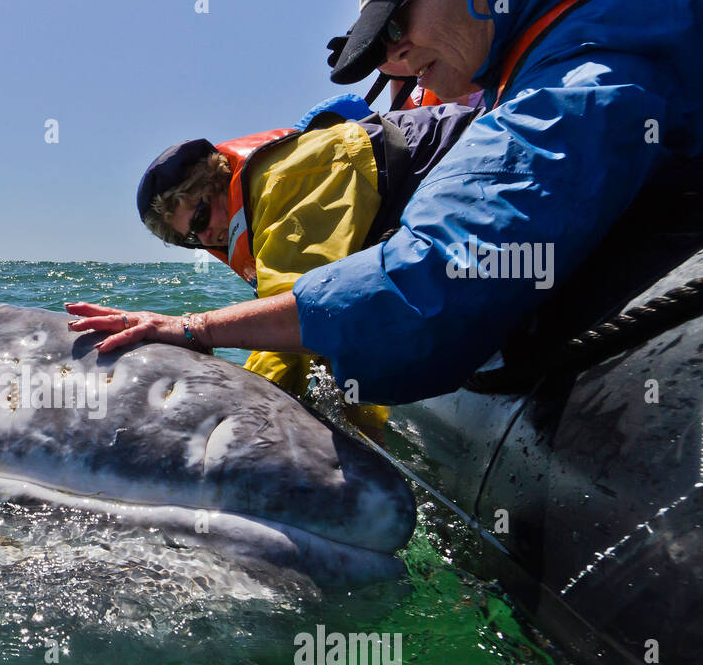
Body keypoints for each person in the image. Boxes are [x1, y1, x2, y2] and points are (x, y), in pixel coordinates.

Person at [70, 0, 703, 406]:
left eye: (394, 28)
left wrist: (196, 331)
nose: (391, 61)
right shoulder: (570, 21)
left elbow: (435, 282)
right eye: (190, 240)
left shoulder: (589, 72)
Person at [132, 95, 480, 435]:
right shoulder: (254, 211)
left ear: (217, 181)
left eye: (201, 218)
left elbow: (302, 314)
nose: (206, 238)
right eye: (191, 238)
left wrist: (228, 427)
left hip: (475, 176)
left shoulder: (281, 183)